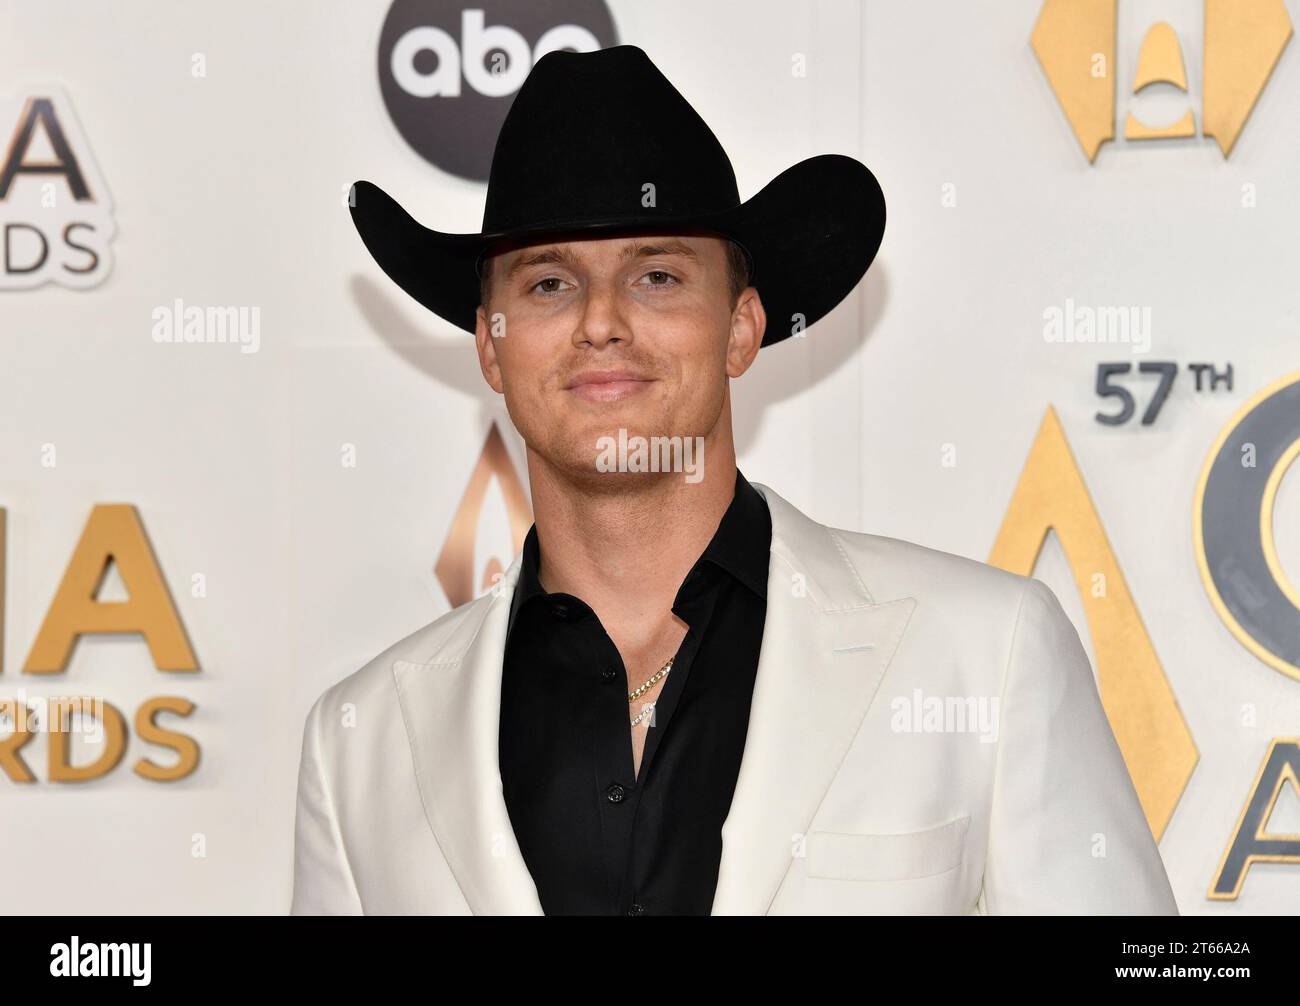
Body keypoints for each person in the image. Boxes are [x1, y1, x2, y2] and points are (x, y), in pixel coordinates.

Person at [290, 44, 1178, 915]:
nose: (601, 321)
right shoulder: (357, 746)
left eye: (659, 275)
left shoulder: (986, 656)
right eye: (551, 282)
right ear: (491, 343)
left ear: (742, 327)